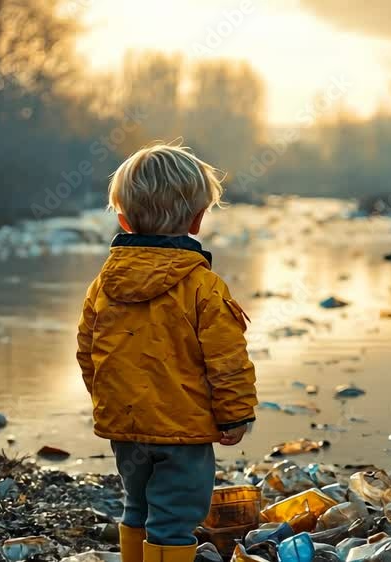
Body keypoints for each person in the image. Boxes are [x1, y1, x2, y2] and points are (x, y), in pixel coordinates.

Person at [76, 143, 257, 562]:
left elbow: (88, 350)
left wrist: (109, 400)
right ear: (196, 220)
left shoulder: (104, 284)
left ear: (122, 217)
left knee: (136, 506)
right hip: (184, 432)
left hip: (126, 427)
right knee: (175, 519)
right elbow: (227, 361)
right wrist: (234, 415)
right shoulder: (203, 287)